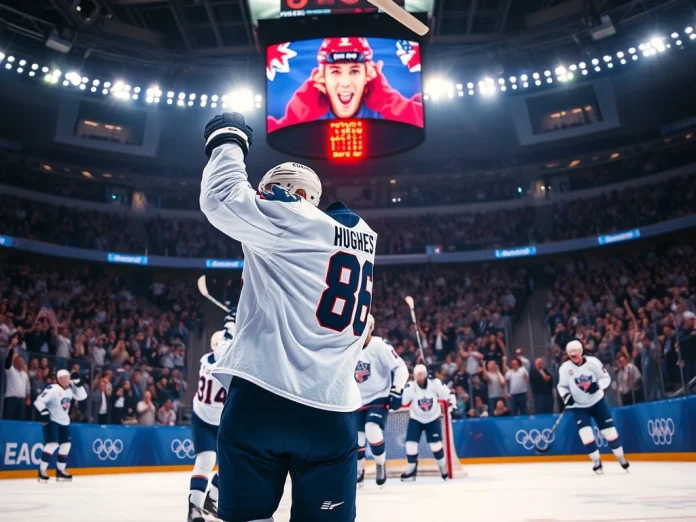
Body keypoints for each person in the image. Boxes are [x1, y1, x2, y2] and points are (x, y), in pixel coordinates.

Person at [200, 112, 377, 522]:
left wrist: (229, 136)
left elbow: (222, 196)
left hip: (264, 398)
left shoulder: (289, 215)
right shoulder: (362, 238)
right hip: (333, 411)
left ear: (278, 192)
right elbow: (362, 325)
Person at [267, 38, 423, 132]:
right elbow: (266, 136)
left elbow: (426, 124)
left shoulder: (410, 106)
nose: (346, 83)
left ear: (367, 75)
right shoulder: (307, 108)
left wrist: (387, 101)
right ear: (322, 77)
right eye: (335, 71)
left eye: (354, 71)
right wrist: (298, 115)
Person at [557, 340, 630, 474]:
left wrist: (597, 385)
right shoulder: (565, 368)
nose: (576, 358)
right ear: (568, 355)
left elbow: (605, 378)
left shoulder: (594, 362)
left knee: (609, 431)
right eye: (572, 356)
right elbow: (561, 386)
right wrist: (566, 396)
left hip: (597, 402)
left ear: (581, 351)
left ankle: (620, 457)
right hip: (579, 406)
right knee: (585, 434)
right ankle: (596, 461)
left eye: (577, 354)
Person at [188, 321, 234, 522]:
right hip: (204, 418)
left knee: (230, 462)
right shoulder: (213, 361)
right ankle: (194, 508)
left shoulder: (210, 358)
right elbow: (224, 351)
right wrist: (232, 328)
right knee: (206, 460)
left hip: (223, 420)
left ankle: (212, 499)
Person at [354, 314, 408, 487]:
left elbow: (400, 367)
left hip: (379, 395)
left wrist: (397, 390)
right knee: (356, 438)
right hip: (356, 398)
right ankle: (359, 470)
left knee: (372, 428)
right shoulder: (348, 346)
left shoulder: (379, 345)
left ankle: (379, 464)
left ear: (371, 328)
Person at [399, 364, 456, 481]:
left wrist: (451, 404)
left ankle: (442, 468)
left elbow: (448, 395)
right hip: (416, 418)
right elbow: (404, 401)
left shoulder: (435, 384)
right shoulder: (410, 387)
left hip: (433, 418)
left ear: (425, 374)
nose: (420, 377)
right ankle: (411, 469)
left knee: (436, 446)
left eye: (421, 374)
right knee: (410, 444)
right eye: (417, 374)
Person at [33, 369, 87, 482]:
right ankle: (42, 471)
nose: (69, 380)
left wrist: (77, 382)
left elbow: (83, 396)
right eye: (67, 377)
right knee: (52, 444)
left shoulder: (69, 390)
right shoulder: (52, 389)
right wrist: (43, 411)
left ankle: (60, 471)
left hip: (64, 421)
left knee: (66, 445)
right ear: (60, 379)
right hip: (52, 420)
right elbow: (38, 401)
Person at [3, 338, 30, 420]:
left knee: (20, 421)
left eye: (23, 361)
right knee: (9, 420)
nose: (22, 363)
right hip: (11, 400)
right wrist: (13, 347)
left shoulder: (24, 374)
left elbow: (27, 388)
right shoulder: (10, 371)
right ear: (15, 362)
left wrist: (28, 397)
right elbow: (8, 361)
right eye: (20, 361)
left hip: (21, 401)